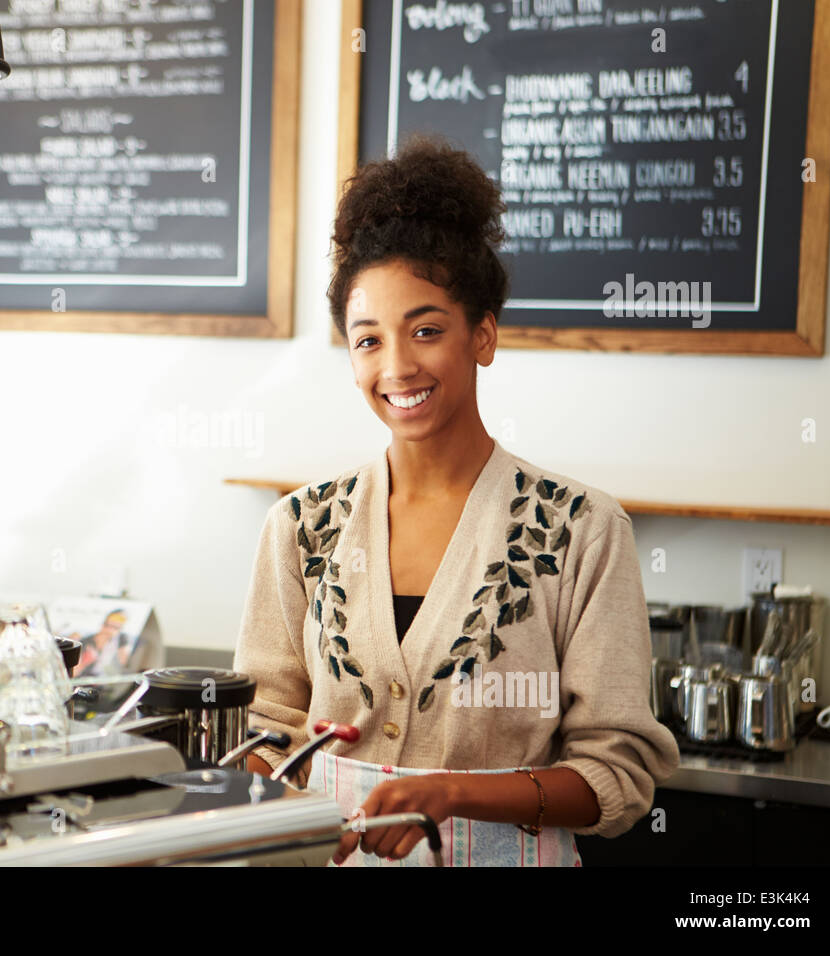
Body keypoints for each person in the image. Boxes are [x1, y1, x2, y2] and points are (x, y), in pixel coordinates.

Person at [232, 136, 680, 867]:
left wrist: (454, 793)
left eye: (426, 330)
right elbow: (267, 729)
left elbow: (615, 779)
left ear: (483, 335)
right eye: (368, 340)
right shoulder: (301, 528)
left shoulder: (580, 531)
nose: (397, 365)